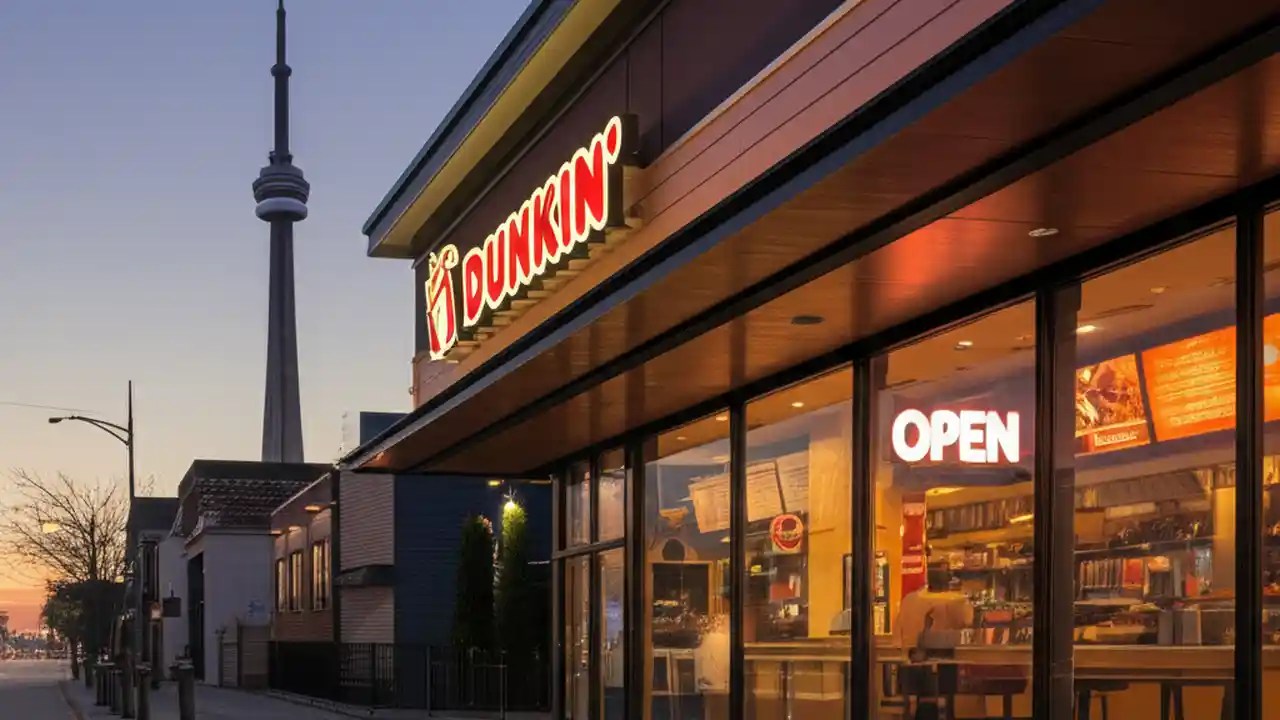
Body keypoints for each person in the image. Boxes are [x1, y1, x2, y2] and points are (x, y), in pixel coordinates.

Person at [896, 566, 974, 660]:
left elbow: (898, 628)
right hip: (942, 655)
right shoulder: (953, 601)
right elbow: (967, 621)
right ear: (946, 585)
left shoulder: (909, 599)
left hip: (908, 656)